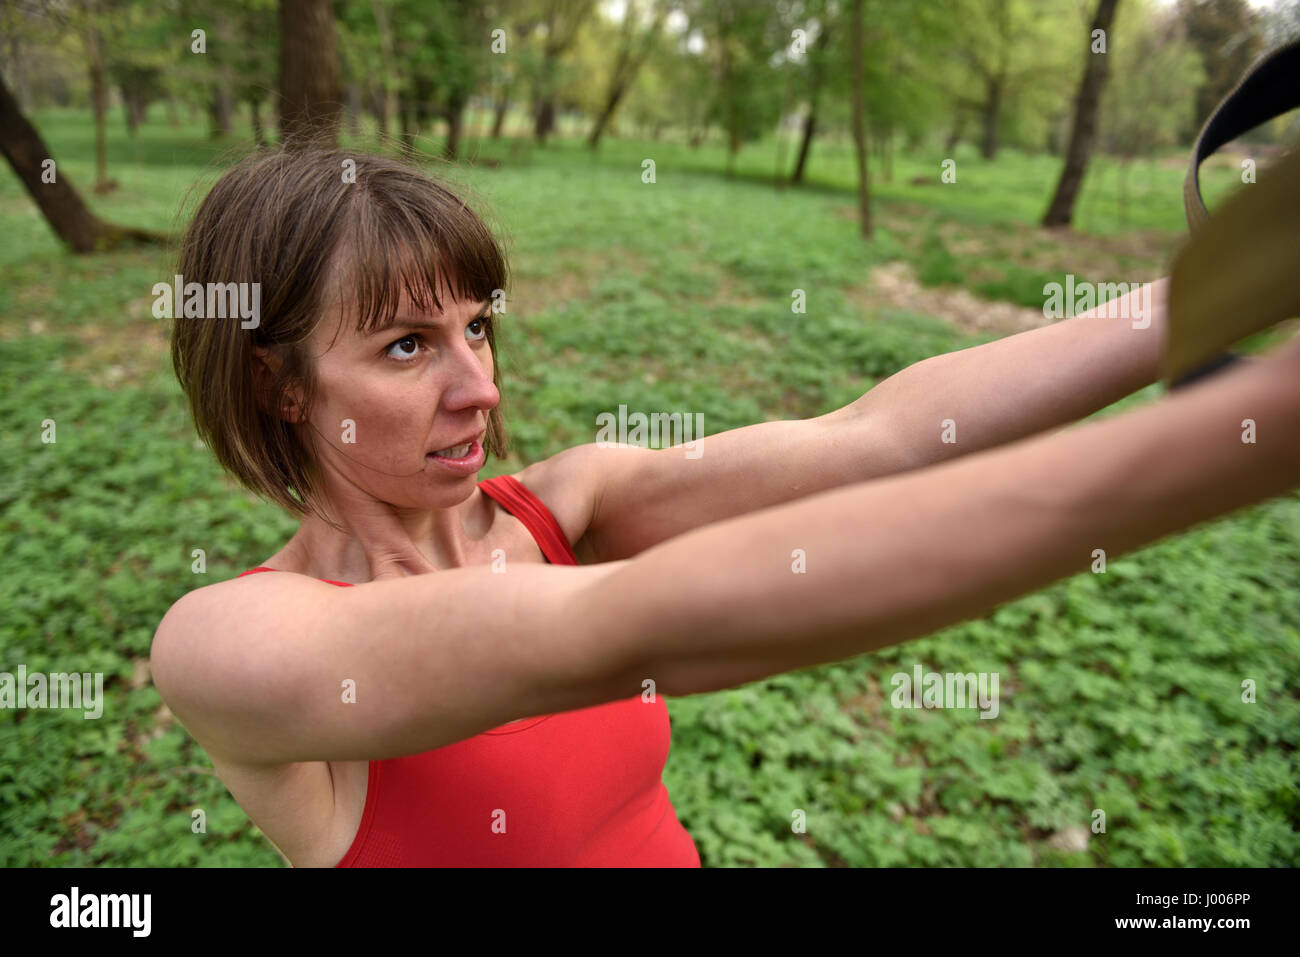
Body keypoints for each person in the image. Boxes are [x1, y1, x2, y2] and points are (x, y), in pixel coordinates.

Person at [151, 148, 1300, 868]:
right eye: (408, 346)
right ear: (280, 384)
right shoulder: (231, 644)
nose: (481, 387)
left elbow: (882, 438)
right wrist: (1245, 434)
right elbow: (640, 626)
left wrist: (1223, 281)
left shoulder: (568, 507)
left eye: (477, 327)